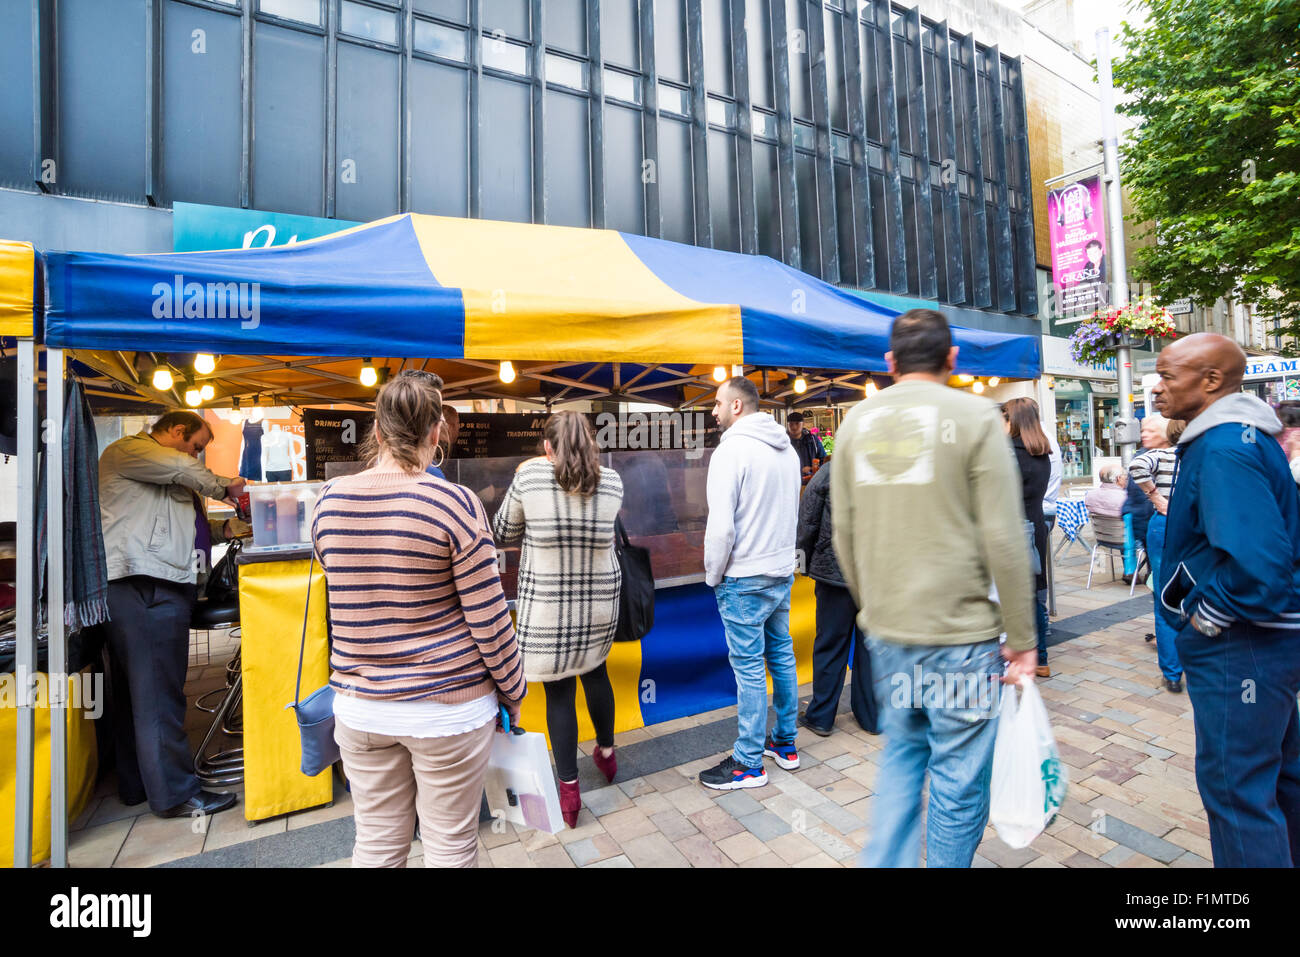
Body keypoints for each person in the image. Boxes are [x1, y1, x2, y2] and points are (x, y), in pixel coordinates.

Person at [831, 309, 1036, 868]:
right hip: (962, 637)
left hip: (891, 635)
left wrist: (872, 605)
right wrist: (1022, 634)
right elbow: (1004, 535)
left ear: (890, 363)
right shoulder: (974, 418)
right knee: (958, 777)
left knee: (902, 757)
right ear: (952, 359)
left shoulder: (855, 423)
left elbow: (843, 533)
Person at [312, 376, 526, 868]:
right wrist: (514, 691)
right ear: (436, 433)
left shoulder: (329, 501)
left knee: (376, 847)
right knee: (450, 846)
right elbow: (490, 621)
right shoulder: (455, 503)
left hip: (361, 707)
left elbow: (341, 582)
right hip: (446, 710)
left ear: (379, 433)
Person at [1151, 332, 1300, 868]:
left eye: (1167, 375)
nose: (1156, 388)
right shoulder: (1234, 438)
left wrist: (1207, 618)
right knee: (1274, 778)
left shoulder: (1222, 447)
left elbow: (1259, 565)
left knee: (1237, 791)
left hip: (1244, 644)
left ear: (1211, 380)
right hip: (1262, 643)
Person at [98, 410, 247, 818]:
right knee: (160, 697)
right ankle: (177, 795)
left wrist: (225, 531)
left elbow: (180, 523)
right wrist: (230, 487)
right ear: (178, 431)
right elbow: (184, 469)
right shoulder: (130, 451)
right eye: (196, 446)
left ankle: (137, 785)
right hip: (146, 585)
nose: (195, 456)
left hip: (152, 582)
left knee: (141, 696)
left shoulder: (160, 472)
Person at [492, 411, 624, 827]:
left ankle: (569, 793)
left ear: (547, 447)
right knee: (597, 674)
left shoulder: (530, 476)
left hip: (550, 606)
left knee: (560, 695)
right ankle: (606, 753)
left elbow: (503, 530)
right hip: (599, 602)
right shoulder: (613, 481)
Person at [700, 376, 802, 790]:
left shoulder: (730, 452)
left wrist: (712, 575)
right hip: (780, 569)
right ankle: (786, 745)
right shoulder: (788, 451)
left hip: (743, 576)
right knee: (781, 656)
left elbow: (721, 528)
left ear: (737, 406)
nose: (714, 410)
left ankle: (747, 763)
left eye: (718, 403)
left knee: (749, 670)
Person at [795, 462, 877, 736]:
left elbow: (808, 520)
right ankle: (871, 717)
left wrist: (803, 560)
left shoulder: (832, 470)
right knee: (872, 647)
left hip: (835, 571)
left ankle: (821, 716)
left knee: (830, 644)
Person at [1128, 414, 1185, 692]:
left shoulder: (1160, 455)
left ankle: (1173, 673)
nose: (1144, 434)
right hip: (1194, 524)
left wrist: (1156, 497)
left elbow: (1136, 465)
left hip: (1164, 525)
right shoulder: (1196, 453)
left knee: (1164, 597)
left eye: (1149, 429)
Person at [1004, 397, 1053, 679]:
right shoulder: (1042, 452)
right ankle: (1041, 657)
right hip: (1035, 526)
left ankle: (1017, 656)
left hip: (1014, 530)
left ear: (1013, 421)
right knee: (1034, 596)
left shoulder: (1010, 454)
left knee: (1012, 597)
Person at [786, 411, 825, 485]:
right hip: (789, 483)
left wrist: (813, 469)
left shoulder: (813, 440)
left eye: (797, 423)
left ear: (803, 424)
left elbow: (823, 460)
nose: (794, 427)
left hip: (811, 483)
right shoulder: (783, 442)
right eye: (791, 424)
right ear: (787, 425)